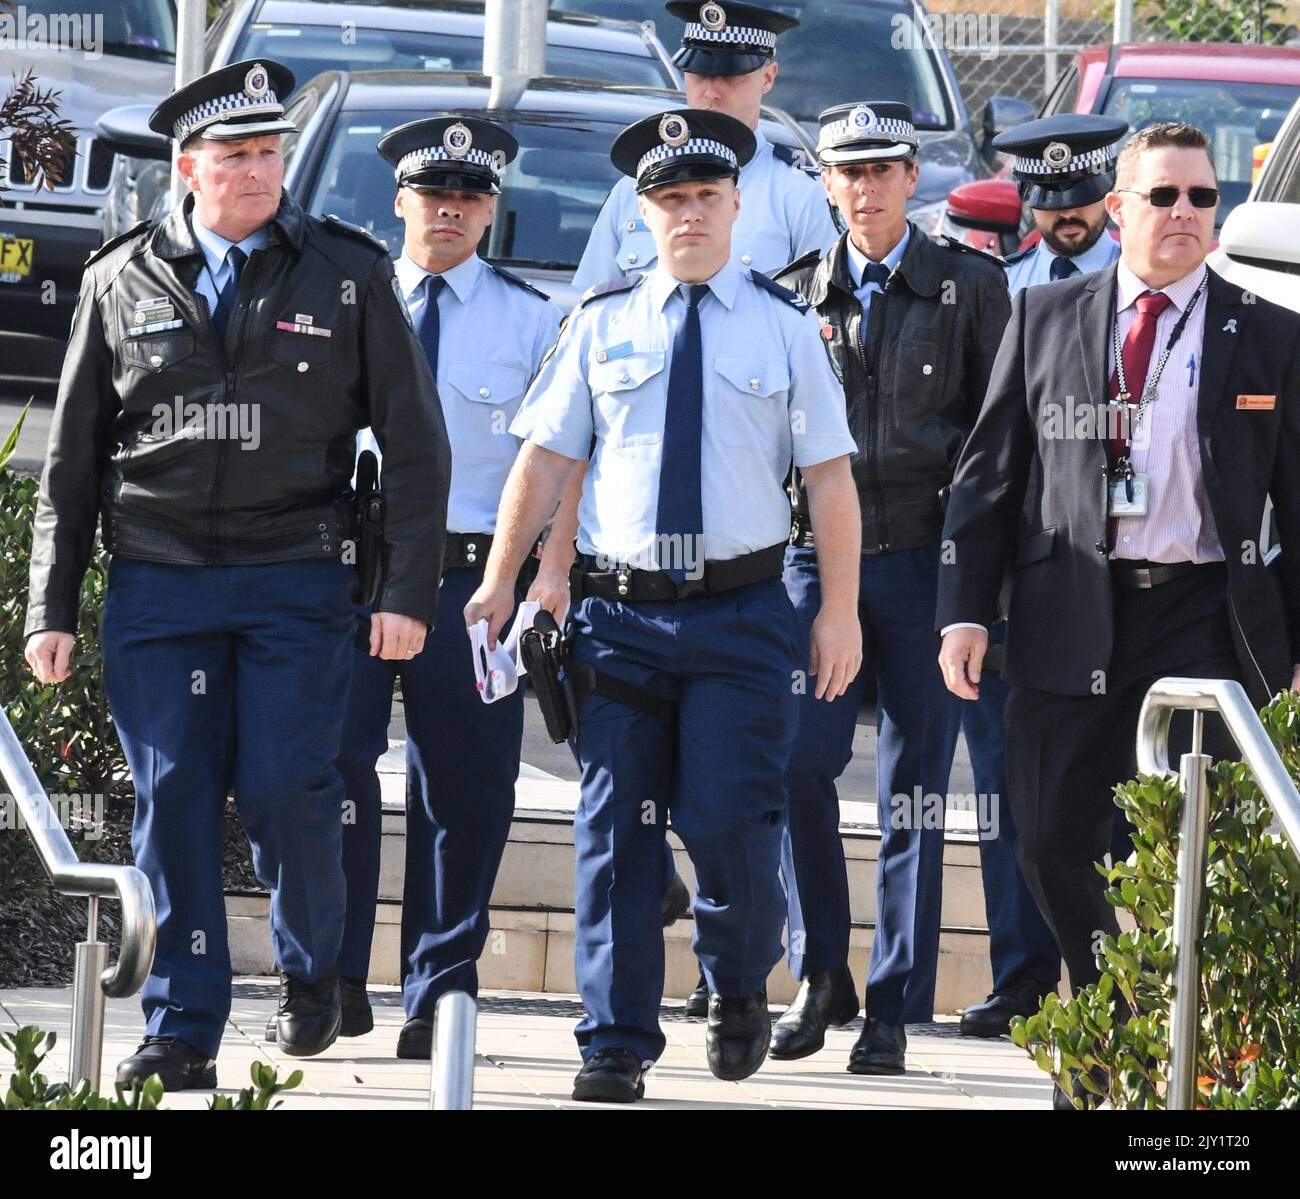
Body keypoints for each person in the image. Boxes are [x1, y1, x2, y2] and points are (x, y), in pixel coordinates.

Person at [23, 60, 450, 1090]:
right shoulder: (117, 279)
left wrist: (401, 594)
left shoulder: (344, 274)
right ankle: (183, 1024)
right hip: (159, 585)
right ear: (189, 168)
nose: (259, 171)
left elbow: (416, 445)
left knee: (288, 788)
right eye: (237, 156)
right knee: (171, 803)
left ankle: (311, 973)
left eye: (270, 152)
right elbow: (70, 462)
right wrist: (50, 603)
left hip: (297, 577)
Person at [466, 108, 861, 1103]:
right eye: (668, 200)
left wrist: (839, 611)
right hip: (622, 619)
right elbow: (547, 457)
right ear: (641, 213)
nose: (687, 214)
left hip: (739, 618)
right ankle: (613, 1040)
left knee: (728, 823)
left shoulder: (783, 324)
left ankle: (735, 982)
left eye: (704, 197)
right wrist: (504, 578)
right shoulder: (599, 323)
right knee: (614, 831)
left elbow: (828, 480)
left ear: (735, 204)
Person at [936, 121, 1300, 1106]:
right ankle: (1109, 1012)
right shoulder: (1045, 316)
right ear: (1118, 207)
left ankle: (1132, 1058)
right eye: (1164, 196)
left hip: (1203, 619)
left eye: (1202, 197)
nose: (1185, 214)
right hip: (1069, 611)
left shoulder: (1266, 332)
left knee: (1186, 853)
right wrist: (963, 612)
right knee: (1050, 838)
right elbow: (985, 482)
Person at [268, 117, 566, 1059]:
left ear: (492, 210)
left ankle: (441, 987)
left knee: (466, 791)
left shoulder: (532, 320)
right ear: (396, 200)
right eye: (432, 194)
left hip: (472, 582)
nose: (449, 211)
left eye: (470, 197)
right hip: (344, 573)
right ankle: (333, 971)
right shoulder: (335, 300)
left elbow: (555, 460)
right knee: (327, 773)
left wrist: (536, 583)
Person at [768, 101, 1010, 1073]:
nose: (865, 189)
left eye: (883, 170)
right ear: (825, 184)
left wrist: (977, 591)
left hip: (924, 561)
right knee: (794, 765)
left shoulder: (965, 287)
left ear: (914, 178)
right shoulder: (786, 295)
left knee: (914, 792)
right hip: (810, 561)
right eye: (847, 173)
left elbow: (998, 451)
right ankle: (819, 969)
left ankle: (892, 1007)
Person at [957, 114, 1129, 1040]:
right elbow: (982, 454)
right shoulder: (998, 294)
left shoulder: (1139, 291)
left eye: (1081, 201)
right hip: (1024, 590)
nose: (1065, 218)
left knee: (1118, 807)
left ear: (1109, 196)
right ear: (1027, 199)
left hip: (1114, 588)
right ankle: (1023, 978)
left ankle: (1122, 985)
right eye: (1048, 201)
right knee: (1018, 803)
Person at [571, 1, 837, 294]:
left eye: (729, 76)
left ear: (768, 77)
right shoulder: (633, 191)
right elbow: (593, 306)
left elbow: (821, 318)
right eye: (699, 74)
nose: (711, 92)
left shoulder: (799, 197)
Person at [997, 114, 1127, 293]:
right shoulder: (1003, 283)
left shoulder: (1143, 279)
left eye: (1083, 197)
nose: (1067, 214)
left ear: (1110, 191)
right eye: (1051, 202)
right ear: (1030, 203)